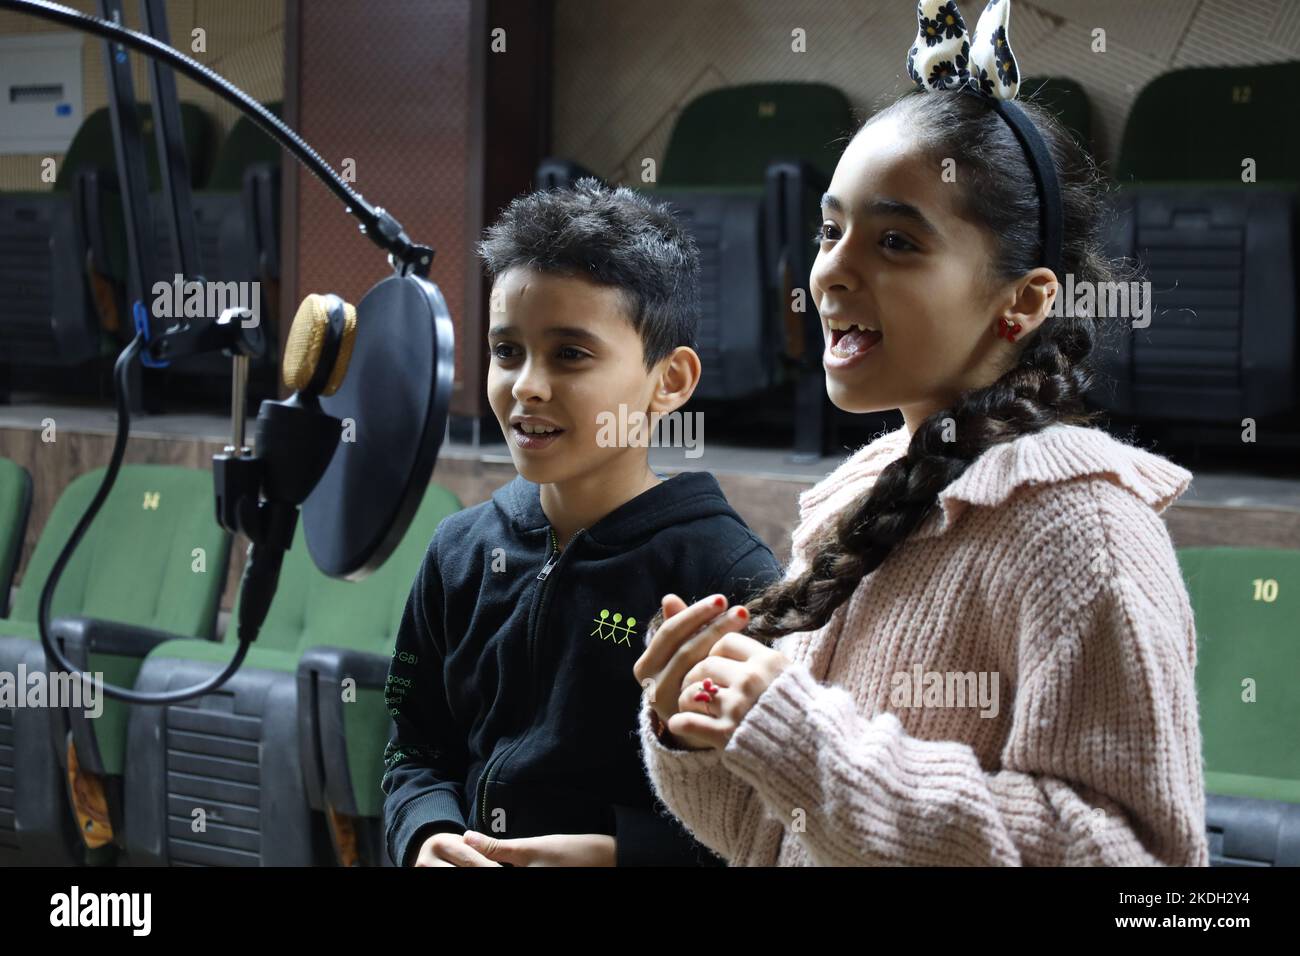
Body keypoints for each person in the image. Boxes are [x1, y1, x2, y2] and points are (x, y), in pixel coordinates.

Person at [632, 0, 1209, 866]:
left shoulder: (1085, 533)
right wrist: (702, 727)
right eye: (832, 230)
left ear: (1022, 302)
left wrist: (806, 741)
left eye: (896, 240)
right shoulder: (864, 494)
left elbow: (1142, 869)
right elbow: (774, 840)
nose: (832, 269)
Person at [382, 178, 781, 867]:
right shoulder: (459, 550)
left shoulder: (726, 579)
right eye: (507, 351)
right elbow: (411, 746)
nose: (527, 385)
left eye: (570, 354)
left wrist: (620, 854)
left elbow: (766, 822)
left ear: (672, 381)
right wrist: (424, 834)